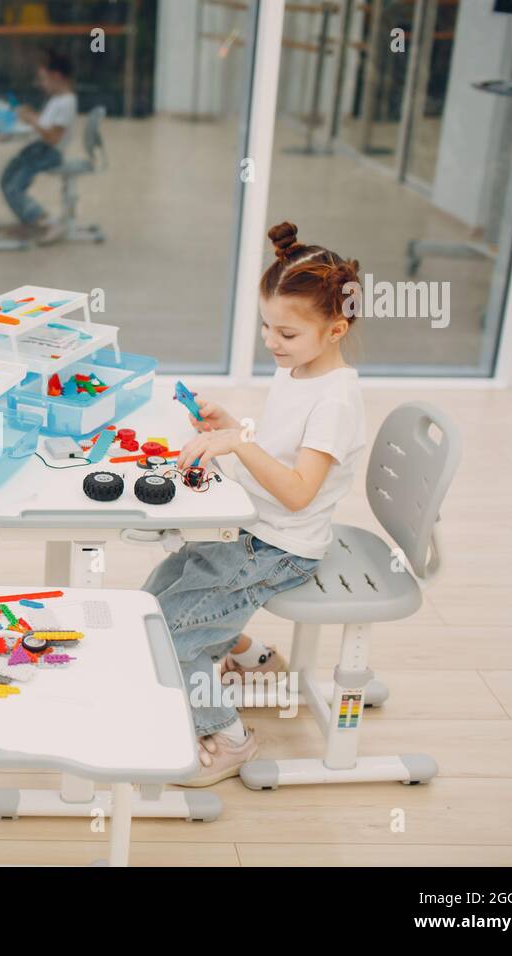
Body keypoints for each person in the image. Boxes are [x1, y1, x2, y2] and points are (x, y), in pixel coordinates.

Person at [143, 221, 368, 786]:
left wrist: (239, 443)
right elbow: (278, 450)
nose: (272, 341)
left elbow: (297, 492)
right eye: (268, 326)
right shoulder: (296, 370)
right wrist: (234, 426)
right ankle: (243, 651)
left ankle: (230, 737)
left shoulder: (337, 400)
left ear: (336, 329)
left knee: (167, 634)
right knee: (147, 603)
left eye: (287, 333)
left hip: (278, 546)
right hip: (251, 525)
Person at [0, 49, 77, 245]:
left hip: (48, 152)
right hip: (38, 148)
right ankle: (29, 220)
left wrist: (32, 120)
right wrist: (32, 115)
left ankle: (47, 221)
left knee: (13, 186)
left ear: (56, 76)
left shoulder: (67, 102)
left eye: (43, 79)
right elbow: (45, 123)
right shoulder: (56, 100)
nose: (41, 85)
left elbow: (53, 137)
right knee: (6, 178)